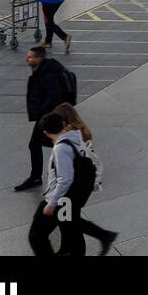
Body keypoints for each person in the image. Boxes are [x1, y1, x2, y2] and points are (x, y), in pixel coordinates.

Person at [49, 103, 118, 254]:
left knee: (69, 220)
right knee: (66, 218)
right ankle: (68, 246)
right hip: (79, 187)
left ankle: (102, 236)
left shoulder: (71, 137)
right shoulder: (80, 132)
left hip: (73, 187)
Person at [28, 112, 95, 257]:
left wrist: (51, 203)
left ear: (46, 132)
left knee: (36, 235)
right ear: (64, 124)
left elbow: (65, 179)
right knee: (73, 232)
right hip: (73, 196)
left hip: (60, 198)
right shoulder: (76, 138)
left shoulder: (61, 148)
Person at [15, 45, 70, 192]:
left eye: (30, 57)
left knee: (35, 144)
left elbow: (53, 95)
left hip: (48, 116)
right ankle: (75, 157)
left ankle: (36, 177)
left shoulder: (47, 74)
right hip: (48, 115)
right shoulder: (43, 70)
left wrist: (43, 114)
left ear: (39, 58)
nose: (27, 59)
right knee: (46, 143)